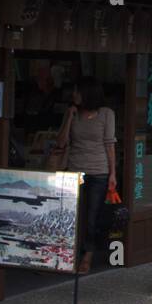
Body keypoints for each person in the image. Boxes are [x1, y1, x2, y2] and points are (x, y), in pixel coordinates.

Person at [57, 77, 117, 273]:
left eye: (77, 91)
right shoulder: (73, 114)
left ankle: (87, 255)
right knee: (71, 215)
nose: (74, 95)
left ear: (87, 94)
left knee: (91, 216)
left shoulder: (106, 114)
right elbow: (61, 143)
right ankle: (68, 254)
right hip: (74, 170)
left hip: (99, 170)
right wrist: (68, 117)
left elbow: (110, 145)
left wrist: (112, 174)